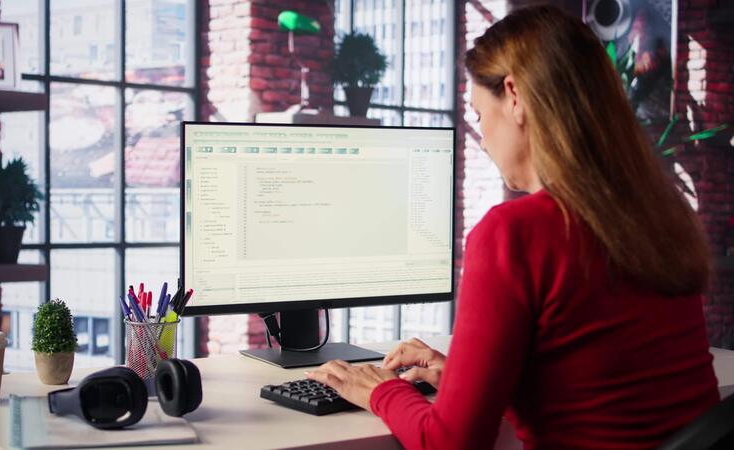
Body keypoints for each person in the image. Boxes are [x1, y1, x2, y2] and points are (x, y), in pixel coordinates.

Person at [306, 5, 720, 449]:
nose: (482, 139)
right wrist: (463, 379)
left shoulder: (513, 234)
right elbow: (598, 391)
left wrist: (380, 390)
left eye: (480, 114)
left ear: (515, 96)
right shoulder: (659, 217)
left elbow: (450, 444)